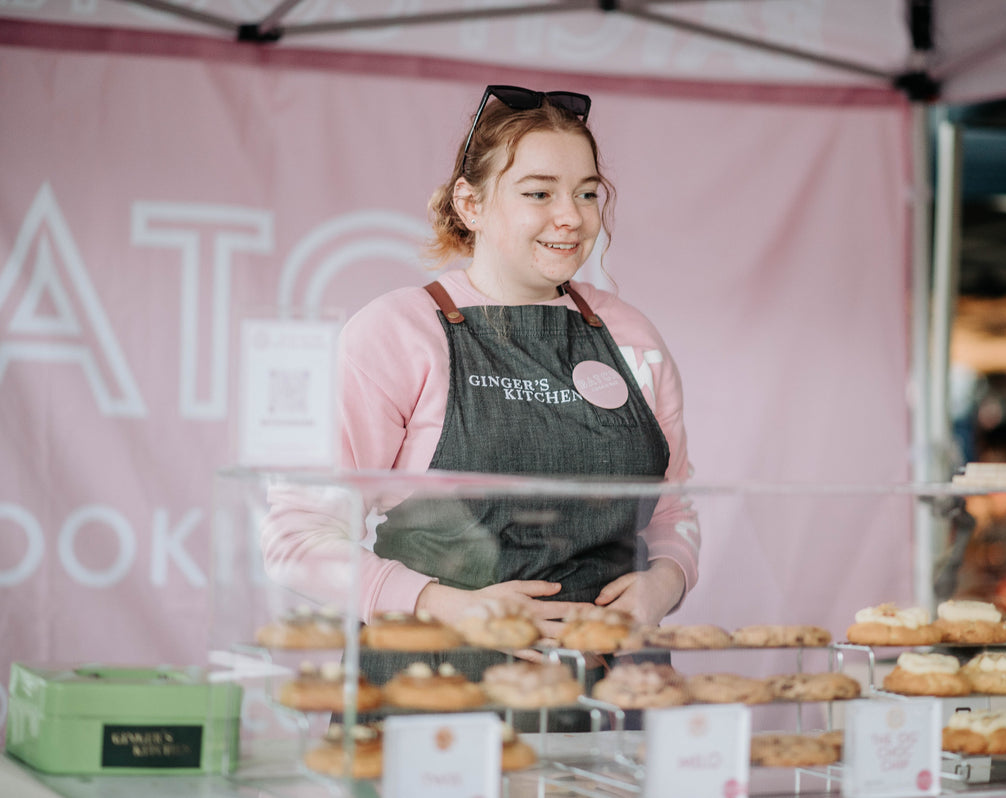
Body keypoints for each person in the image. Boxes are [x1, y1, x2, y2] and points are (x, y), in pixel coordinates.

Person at [261, 85, 699, 696]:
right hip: (433, 692)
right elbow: (296, 536)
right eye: (538, 193)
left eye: (586, 193)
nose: (571, 217)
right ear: (471, 204)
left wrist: (665, 583)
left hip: (609, 696)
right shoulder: (396, 332)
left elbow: (672, 512)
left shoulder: (631, 336)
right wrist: (444, 605)